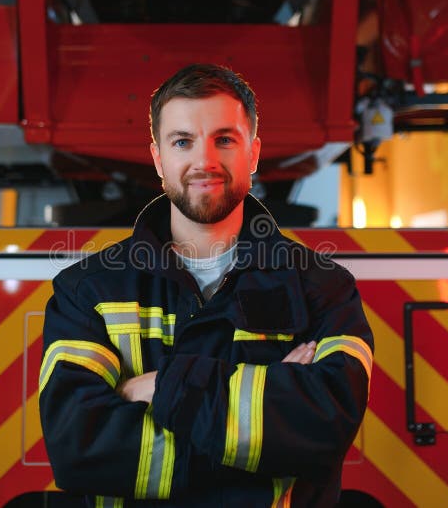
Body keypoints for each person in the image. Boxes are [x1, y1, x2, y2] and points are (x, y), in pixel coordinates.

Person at [39, 63, 374, 507]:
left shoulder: (324, 287)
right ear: (158, 159)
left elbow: (324, 433)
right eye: (183, 142)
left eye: (224, 140)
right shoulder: (87, 291)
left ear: (253, 154)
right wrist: (267, 417)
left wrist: (159, 387)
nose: (205, 162)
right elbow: (77, 450)